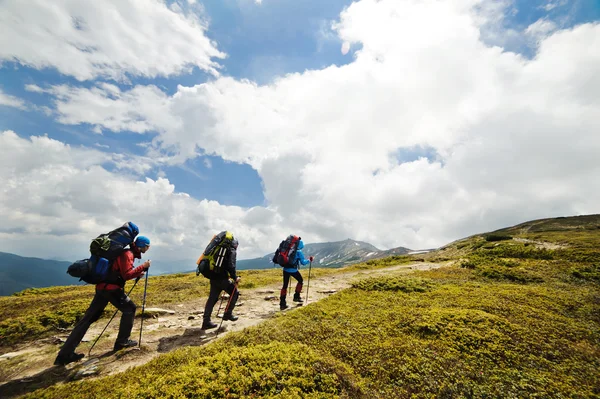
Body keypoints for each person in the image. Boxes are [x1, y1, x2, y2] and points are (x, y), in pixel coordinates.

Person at [54, 236, 152, 366]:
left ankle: (64, 355)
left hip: (102, 288)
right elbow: (126, 275)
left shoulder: (126, 253)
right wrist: (143, 267)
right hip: (112, 290)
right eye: (147, 246)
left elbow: (121, 271)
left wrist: (137, 272)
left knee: (87, 319)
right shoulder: (127, 254)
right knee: (130, 309)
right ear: (142, 246)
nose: (148, 248)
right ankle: (122, 341)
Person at [201, 234, 241, 330]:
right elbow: (231, 266)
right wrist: (235, 278)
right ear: (235, 244)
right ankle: (228, 314)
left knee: (212, 298)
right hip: (222, 278)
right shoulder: (231, 250)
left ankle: (206, 322)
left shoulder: (219, 248)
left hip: (213, 277)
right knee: (234, 293)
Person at [280, 239, 313, 310]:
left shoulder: (288, 250)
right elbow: (303, 263)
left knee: (285, 286)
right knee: (300, 280)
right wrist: (309, 260)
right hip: (293, 270)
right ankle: (296, 297)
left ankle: (282, 303)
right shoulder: (298, 252)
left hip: (285, 269)